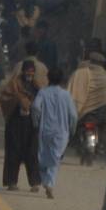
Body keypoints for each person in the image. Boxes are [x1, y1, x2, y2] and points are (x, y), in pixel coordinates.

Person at [32, 66, 77, 199]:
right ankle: (49, 183)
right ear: (62, 79)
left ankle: (46, 181)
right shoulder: (66, 95)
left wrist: (36, 121)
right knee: (55, 158)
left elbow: (35, 107)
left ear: (48, 78)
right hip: (61, 133)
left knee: (43, 157)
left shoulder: (43, 92)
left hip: (45, 129)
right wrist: (72, 130)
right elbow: (73, 116)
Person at [0, 60, 41, 191]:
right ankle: (11, 182)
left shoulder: (36, 86)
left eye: (32, 70)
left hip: (31, 124)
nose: (30, 73)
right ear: (23, 71)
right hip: (15, 123)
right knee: (13, 152)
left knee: (32, 153)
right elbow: (4, 98)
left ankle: (34, 183)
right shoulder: (14, 84)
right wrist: (18, 100)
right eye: (28, 70)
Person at [68, 51, 106, 152]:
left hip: (83, 111)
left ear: (91, 61)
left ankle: (75, 141)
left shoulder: (80, 72)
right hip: (101, 112)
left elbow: (75, 92)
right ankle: (101, 144)